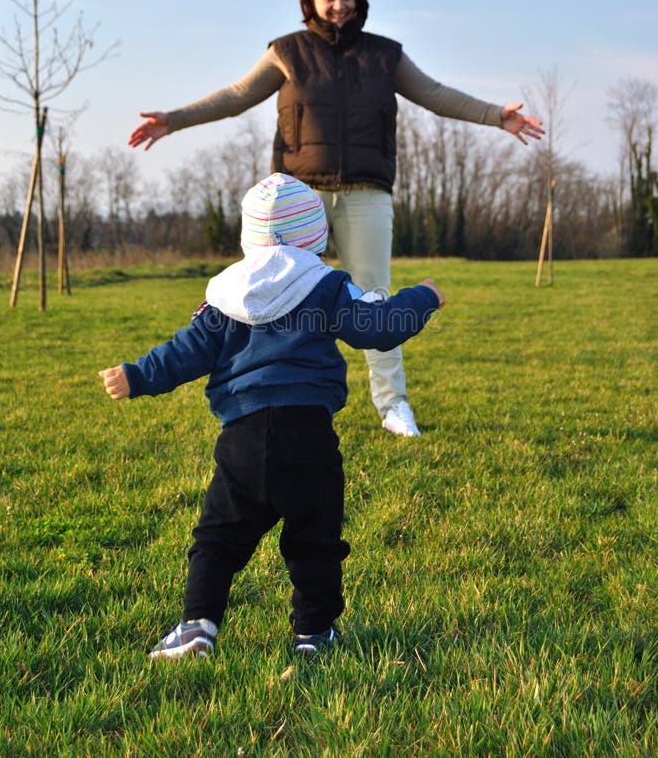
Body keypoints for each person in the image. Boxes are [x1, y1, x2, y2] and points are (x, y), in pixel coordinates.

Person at [128, 0, 543, 437]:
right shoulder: (288, 52)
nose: (339, 4)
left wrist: (497, 116)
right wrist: (173, 119)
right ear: (313, 1)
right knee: (278, 293)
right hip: (296, 199)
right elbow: (237, 95)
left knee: (375, 296)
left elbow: (434, 93)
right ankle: (276, 393)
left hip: (366, 193)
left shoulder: (385, 55)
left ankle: (392, 404)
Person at [99, 173, 445, 659]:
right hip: (309, 439)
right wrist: (423, 296)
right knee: (315, 542)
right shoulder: (325, 287)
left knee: (217, 538)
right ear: (316, 237)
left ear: (248, 237)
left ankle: (197, 625)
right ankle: (313, 635)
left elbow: (188, 351)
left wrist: (137, 375)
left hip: (242, 440)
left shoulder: (225, 296)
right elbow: (378, 327)